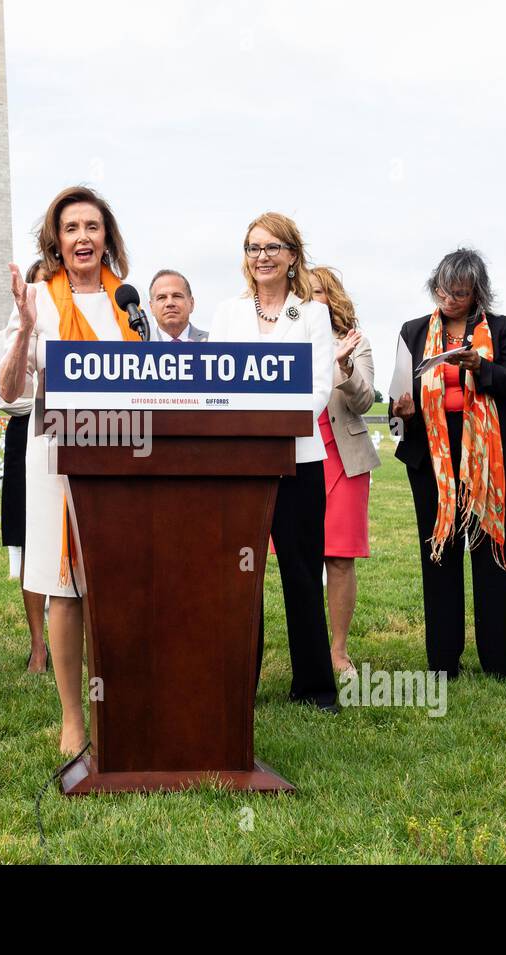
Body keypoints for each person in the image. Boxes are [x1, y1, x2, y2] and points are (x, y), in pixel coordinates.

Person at [0, 186, 149, 752]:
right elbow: (9, 395)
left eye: (92, 227)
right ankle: (72, 719)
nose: (82, 237)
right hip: (57, 459)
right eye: (71, 229)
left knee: (119, 586)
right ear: (56, 241)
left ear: (106, 236)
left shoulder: (129, 303)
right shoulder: (35, 299)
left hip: (124, 454)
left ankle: (122, 706)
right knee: (63, 586)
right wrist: (23, 328)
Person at [210, 212, 337, 709]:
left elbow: (319, 387)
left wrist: (271, 426)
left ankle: (315, 686)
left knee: (302, 574)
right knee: (242, 577)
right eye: (252, 248)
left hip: (297, 459)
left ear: (292, 256)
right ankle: (239, 682)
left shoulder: (312, 316)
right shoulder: (227, 314)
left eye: (271, 248)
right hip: (238, 465)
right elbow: (214, 386)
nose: (261, 257)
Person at [392, 248, 506, 680]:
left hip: (491, 456)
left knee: (492, 551)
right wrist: (402, 408)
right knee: (439, 555)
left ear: (476, 294)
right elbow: (397, 394)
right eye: (442, 290)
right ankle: (443, 662)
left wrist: (482, 367)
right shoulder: (413, 331)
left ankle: (498, 662)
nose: (448, 299)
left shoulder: (503, 330)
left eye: (459, 293)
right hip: (430, 454)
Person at [310, 266, 379, 676]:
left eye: (316, 291)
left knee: (339, 558)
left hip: (343, 459)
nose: (308, 297)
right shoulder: (284, 340)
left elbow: (366, 401)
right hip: (297, 456)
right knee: (297, 559)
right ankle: (308, 647)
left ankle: (338, 651)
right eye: (302, 290)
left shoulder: (356, 342)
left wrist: (346, 366)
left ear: (332, 297)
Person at [0, 259, 48, 674]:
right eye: (41, 287)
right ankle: (38, 646)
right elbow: (7, 398)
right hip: (28, 430)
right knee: (31, 538)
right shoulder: (13, 332)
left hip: (83, 430)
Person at [147, 270, 207, 342]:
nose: (170, 303)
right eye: (162, 297)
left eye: (177, 296)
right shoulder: (141, 347)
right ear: (151, 307)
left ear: (191, 303)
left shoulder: (214, 341)